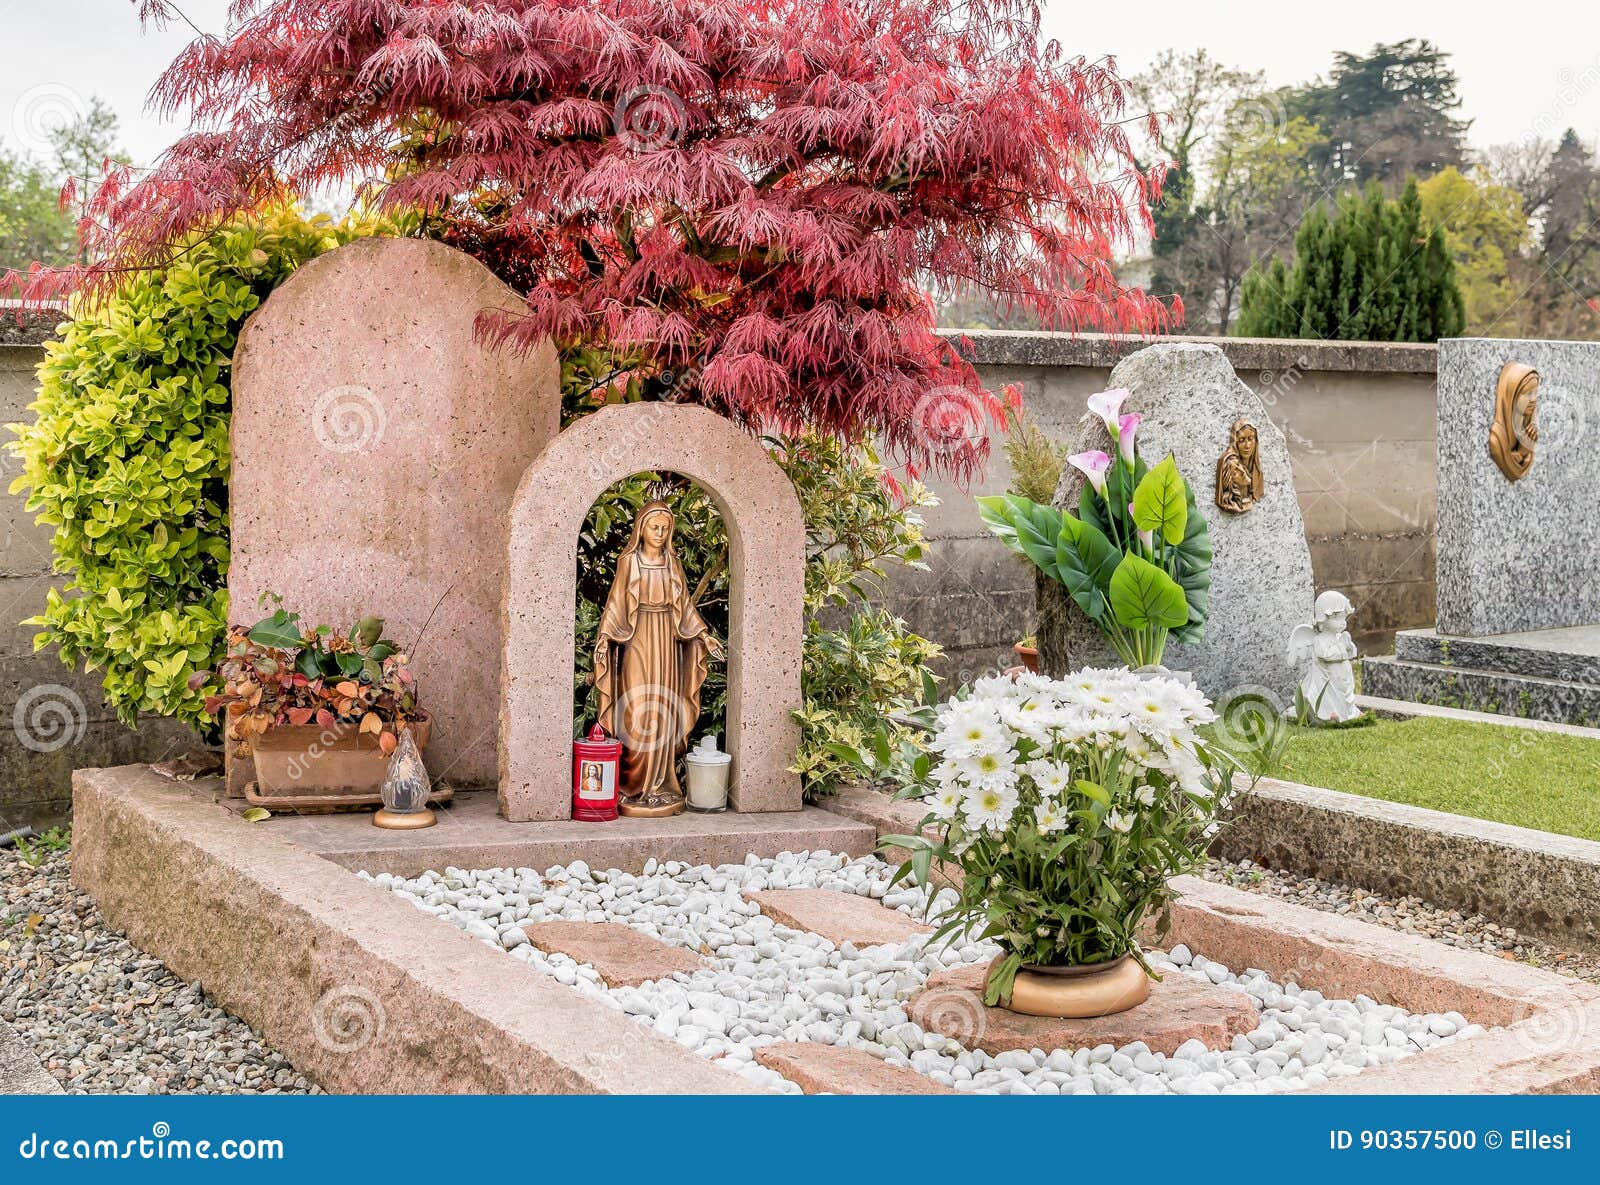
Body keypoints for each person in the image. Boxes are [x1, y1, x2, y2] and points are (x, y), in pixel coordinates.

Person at [593, 501, 723, 815]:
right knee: (636, 709)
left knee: (664, 709)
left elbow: (686, 606)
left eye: (665, 529)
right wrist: (605, 639)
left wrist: (703, 636)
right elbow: (615, 605)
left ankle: (661, 785)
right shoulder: (630, 562)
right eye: (655, 527)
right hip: (637, 639)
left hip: (666, 638)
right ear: (642, 529)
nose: (660, 533)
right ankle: (633, 786)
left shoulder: (671, 563)